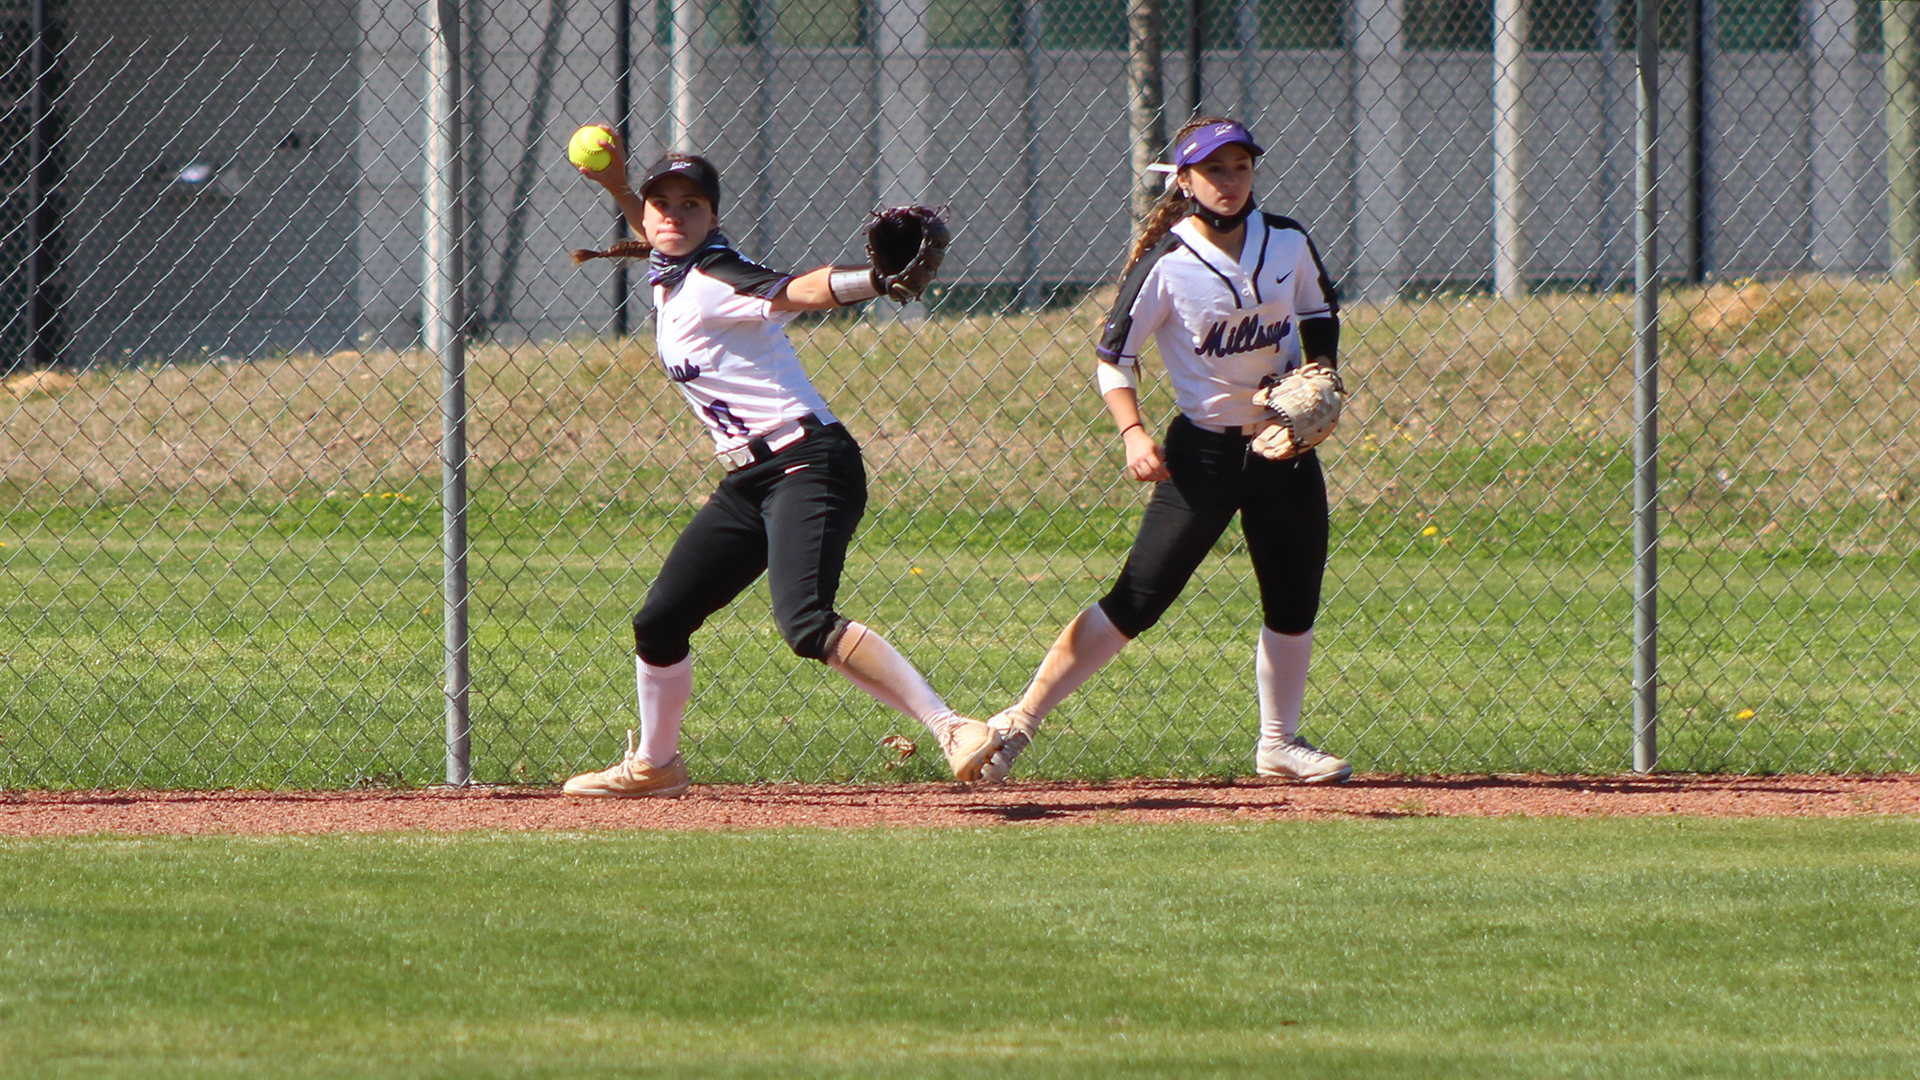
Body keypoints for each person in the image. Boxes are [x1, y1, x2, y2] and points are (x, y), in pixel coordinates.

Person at [562, 139, 999, 796]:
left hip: (808, 462)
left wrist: (875, 280)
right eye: (662, 204)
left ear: (714, 217)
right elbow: (657, 230)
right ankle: (657, 765)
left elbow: (798, 290)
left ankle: (951, 726)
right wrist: (619, 185)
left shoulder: (716, 277)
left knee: (806, 622)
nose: (673, 214)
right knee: (660, 622)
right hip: (748, 480)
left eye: (691, 204)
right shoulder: (672, 266)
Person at [982, 117, 1352, 784]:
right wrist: (1133, 433)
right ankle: (1018, 722)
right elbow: (1113, 360)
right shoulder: (1168, 263)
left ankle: (1279, 744)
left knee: (1294, 599)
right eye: (1214, 170)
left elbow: (1319, 313)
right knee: (1138, 600)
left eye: (1240, 167)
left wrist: (1321, 375)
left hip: (1284, 450)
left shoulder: (1287, 241)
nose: (1230, 181)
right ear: (1183, 180)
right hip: (1204, 456)